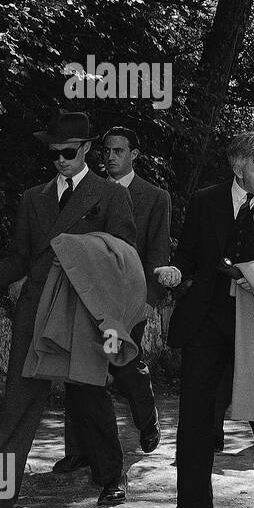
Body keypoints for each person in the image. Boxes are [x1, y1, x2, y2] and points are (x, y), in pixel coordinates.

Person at [0, 110, 137, 508]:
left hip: (82, 311)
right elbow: (20, 257)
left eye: (69, 152)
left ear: (87, 149)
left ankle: (111, 477)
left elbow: (123, 258)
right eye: (54, 153)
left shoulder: (109, 196)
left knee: (91, 399)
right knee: (17, 407)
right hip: (36, 312)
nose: (60, 160)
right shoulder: (32, 198)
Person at [155, 132, 254, 508]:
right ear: (238, 169)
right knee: (196, 416)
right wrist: (177, 271)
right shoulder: (206, 200)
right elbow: (188, 253)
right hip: (207, 319)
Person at [58, 125, 171, 470]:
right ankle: (78, 450)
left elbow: (158, 251)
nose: (110, 157)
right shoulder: (86, 190)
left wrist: (150, 298)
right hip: (89, 292)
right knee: (80, 368)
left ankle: (146, 415)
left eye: (119, 151)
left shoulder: (153, 196)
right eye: (106, 150)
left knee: (121, 365)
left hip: (129, 297)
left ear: (134, 155)